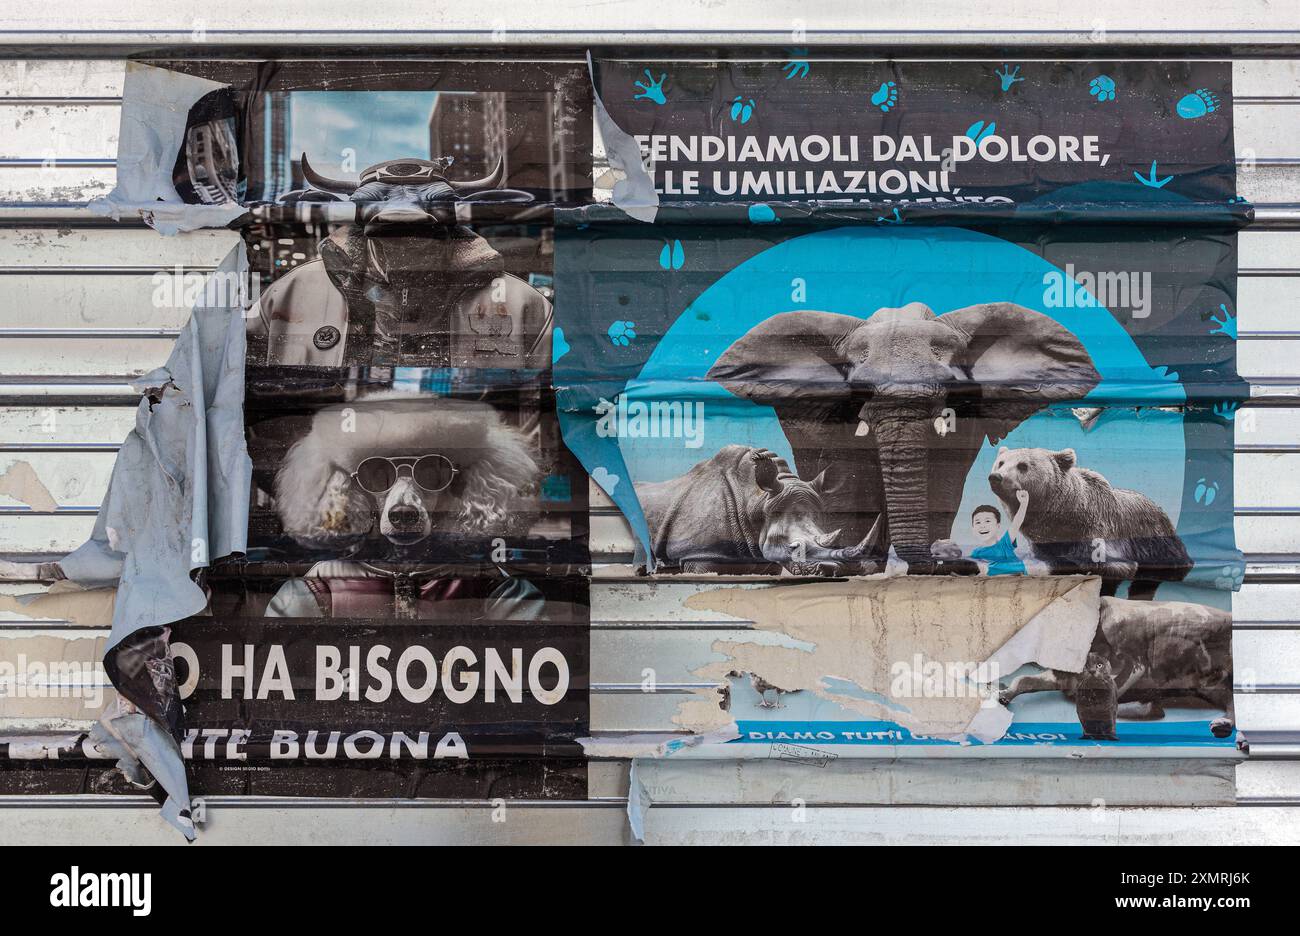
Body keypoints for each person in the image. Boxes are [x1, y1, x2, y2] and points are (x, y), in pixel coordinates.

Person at [969, 490, 1030, 576]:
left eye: (987, 521)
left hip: (1018, 579)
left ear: (998, 525)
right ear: (973, 528)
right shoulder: (976, 553)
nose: (982, 526)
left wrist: (1023, 503)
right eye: (978, 522)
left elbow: (1016, 523)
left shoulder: (1004, 543)